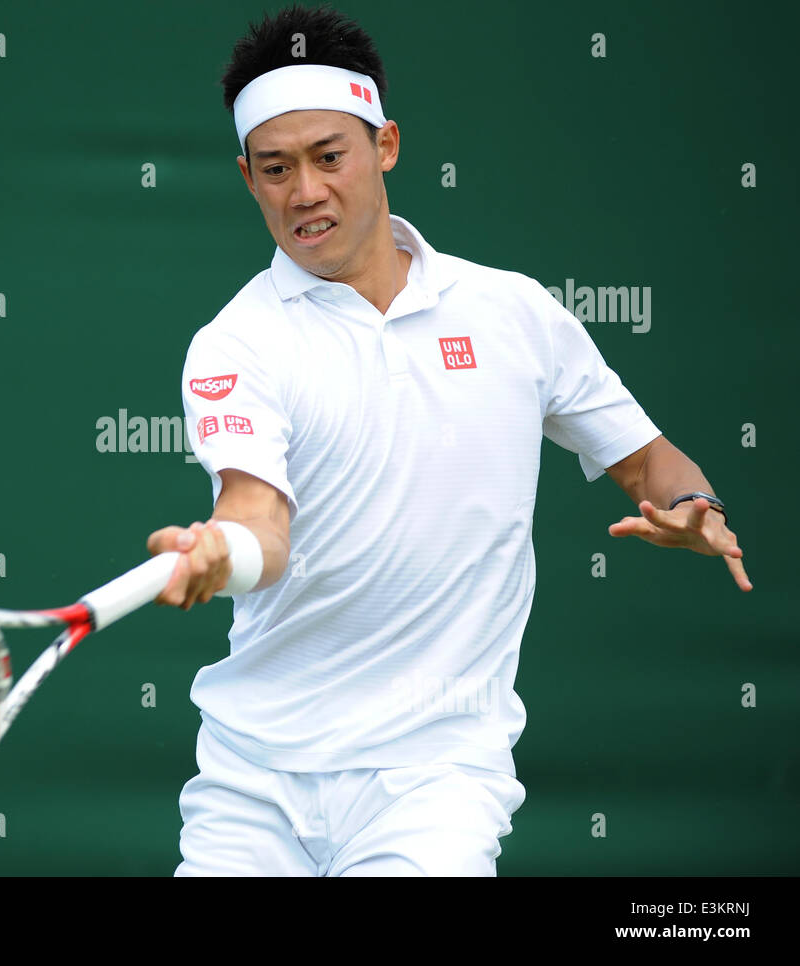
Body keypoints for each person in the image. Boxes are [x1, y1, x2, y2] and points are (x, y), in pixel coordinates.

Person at [146, 4, 752, 877]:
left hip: (436, 777)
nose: (305, 192)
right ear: (248, 178)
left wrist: (695, 503)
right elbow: (257, 517)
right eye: (275, 169)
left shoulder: (516, 313)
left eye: (329, 157)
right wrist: (223, 554)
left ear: (385, 145)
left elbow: (645, 457)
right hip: (252, 780)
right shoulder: (236, 344)